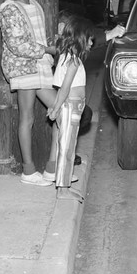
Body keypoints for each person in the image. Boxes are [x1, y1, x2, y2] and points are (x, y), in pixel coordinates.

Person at [0, 0, 57, 187]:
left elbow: (40, 36)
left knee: (64, 112)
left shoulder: (37, 6)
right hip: (23, 68)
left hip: (41, 67)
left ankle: (52, 167)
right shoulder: (8, 8)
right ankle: (29, 170)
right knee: (27, 117)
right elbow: (17, 45)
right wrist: (47, 50)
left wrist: (52, 47)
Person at [46, 14, 95, 199]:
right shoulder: (72, 60)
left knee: (67, 147)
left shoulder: (69, 58)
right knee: (67, 149)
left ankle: (64, 186)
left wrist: (55, 107)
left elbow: (60, 88)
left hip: (71, 107)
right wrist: (57, 108)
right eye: (89, 38)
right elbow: (65, 87)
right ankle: (63, 190)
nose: (91, 42)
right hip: (70, 107)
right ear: (80, 37)